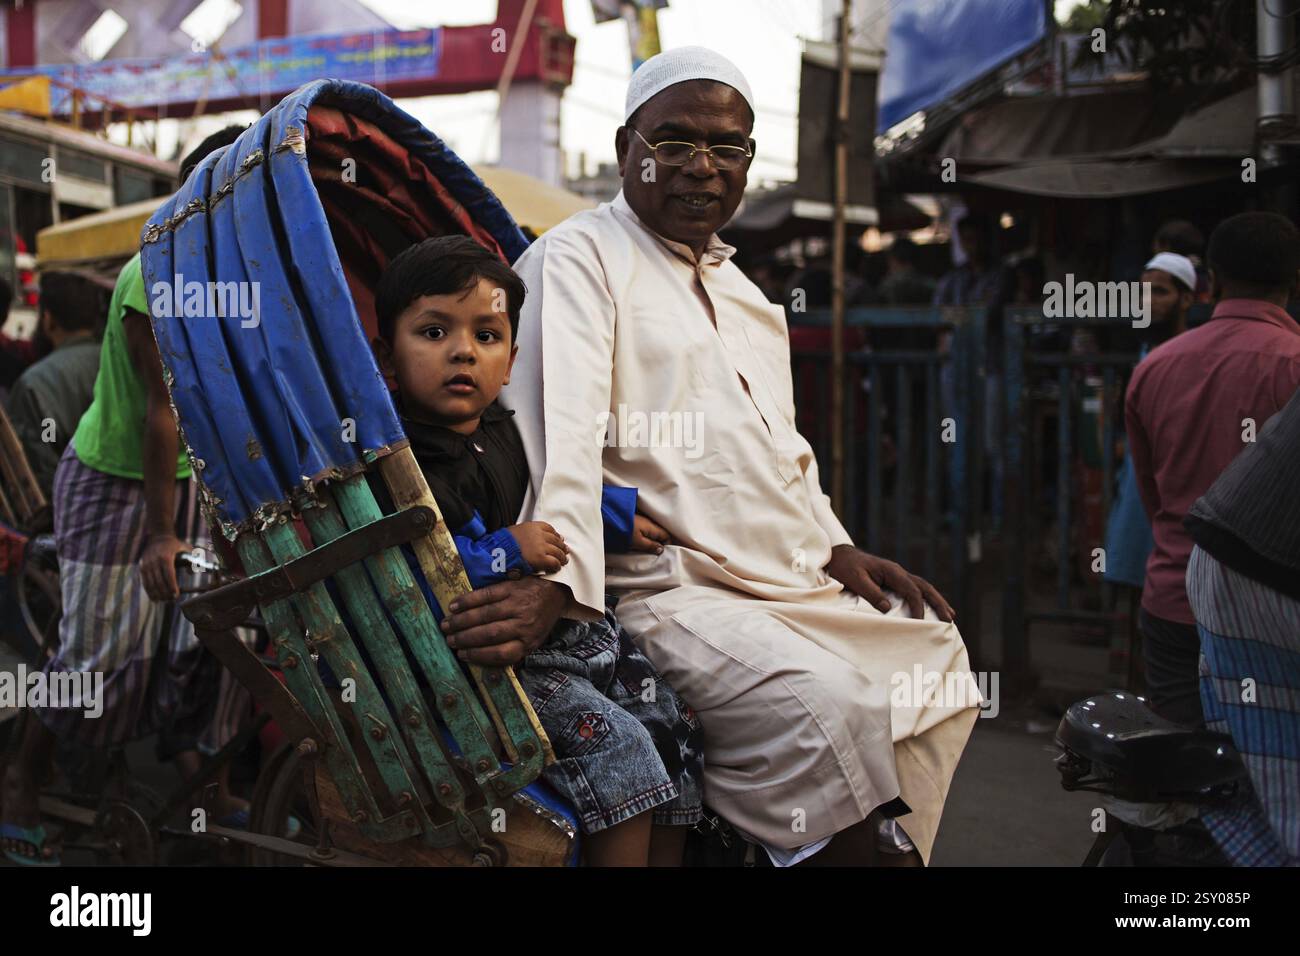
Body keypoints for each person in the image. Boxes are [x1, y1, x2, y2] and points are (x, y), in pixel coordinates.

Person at [437, 46, 979, 867]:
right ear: (628, 149)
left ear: (748, 161)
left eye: (726, 149)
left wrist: (836, 544)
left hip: (788, 579)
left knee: (934, 653)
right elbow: (561, 441)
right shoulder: (576, 259)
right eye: (674, 142)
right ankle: (824, 844)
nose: (700, 167)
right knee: (827, 708)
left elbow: (785, 449)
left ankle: (859, 838)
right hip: (671, 591)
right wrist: (557, 585)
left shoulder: (749, 299)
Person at [370, 235, 703, 866]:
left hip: (566, 638)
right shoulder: (400, 460)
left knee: (677, 721)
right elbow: (415, 569)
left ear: (512, 356)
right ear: (389, 355)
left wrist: (615, 518)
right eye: (435, 333)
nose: (463, 351)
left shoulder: (507, 425)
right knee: (621, 745)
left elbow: (552, 489)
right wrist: (506, 549)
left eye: (486, 336)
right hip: (484, 656)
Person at [1, 125, 253, 865]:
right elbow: (163, 409)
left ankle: (204, 789)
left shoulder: (243, 274)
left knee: (208, 634)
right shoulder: (157, 272)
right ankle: (22, 775)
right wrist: (159, 536)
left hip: (189, 479)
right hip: (116, 481)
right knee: (93, 650)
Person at [1125, 212, 1300, 728]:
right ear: (1295, 281)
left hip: (1174, 597)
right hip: (1275, 611)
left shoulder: (1154, 368)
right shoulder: (1294, 363)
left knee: (1182, 773)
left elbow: (1152, 494)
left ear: (1213, 281)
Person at [1185, 386, 1300, 866]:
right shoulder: (1284, 354)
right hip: (1266, 570)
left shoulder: (1160, 362)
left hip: (1223, 559)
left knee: (1261, 790)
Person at [1102, 253, 1197, 591]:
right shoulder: (1143, 351)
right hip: (1135, 484)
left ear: (1186, 298)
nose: (1147, 302)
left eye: (1159, 292)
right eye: (1143, 292)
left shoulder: (1193, 355)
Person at [5, 272, 106, 498]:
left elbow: (43, 449)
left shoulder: (36, 383)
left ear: (48, 320)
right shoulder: (121, 360)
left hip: (68, 508)